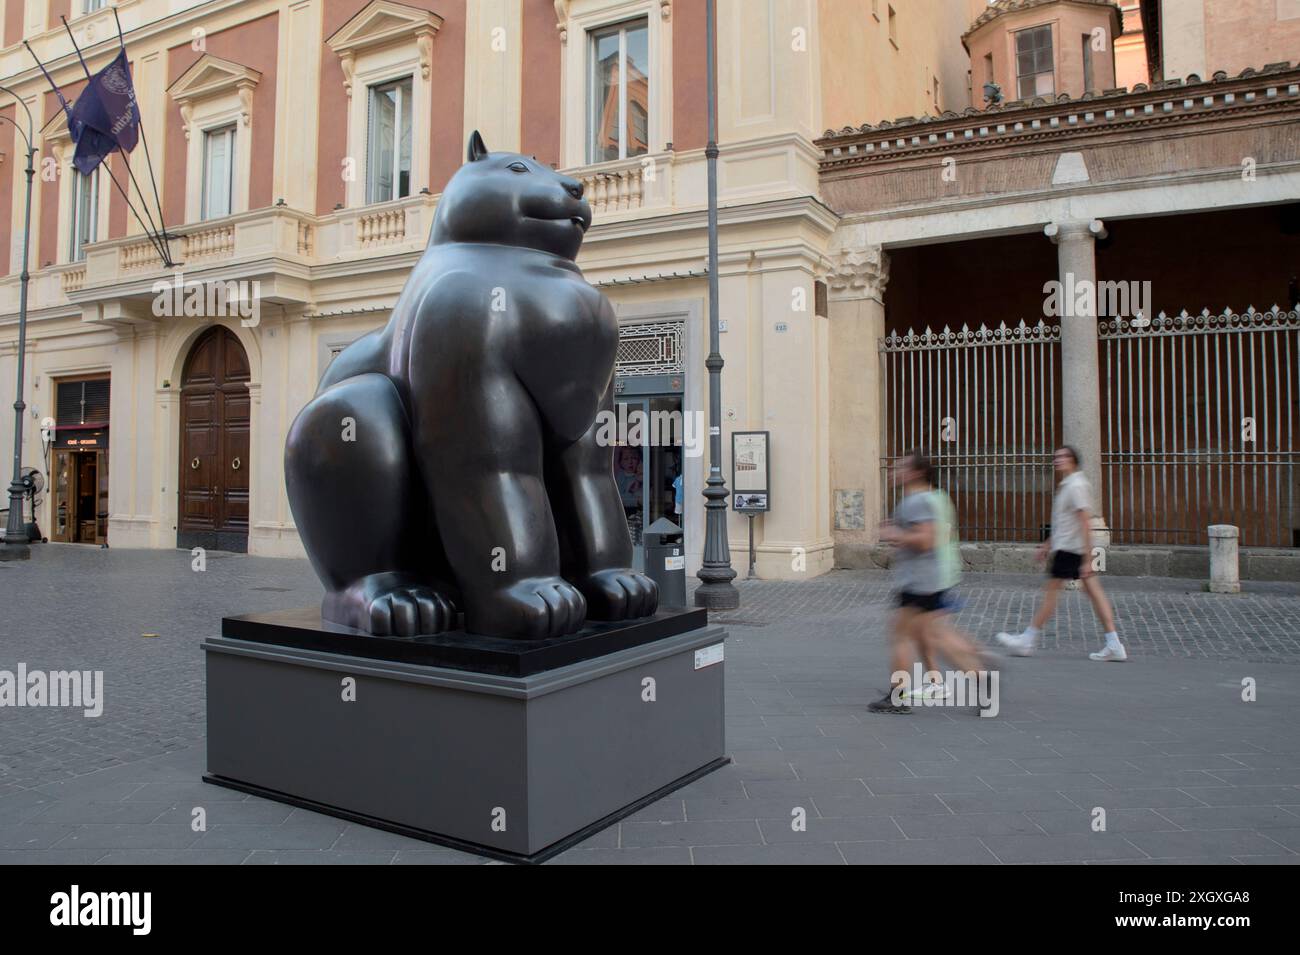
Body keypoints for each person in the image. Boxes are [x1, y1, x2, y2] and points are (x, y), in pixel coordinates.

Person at [869, 450, 989, 714]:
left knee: (902, 637)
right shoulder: (923, 498)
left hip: (919, 582)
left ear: (916, 472)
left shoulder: (918, 501)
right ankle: (979, 677)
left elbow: (926, 540)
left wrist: (894, 534)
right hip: (926, 579)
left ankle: (898, 697)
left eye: (900, 467)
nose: (894, 471)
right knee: (935, 637)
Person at [996, 445, 1127, 661]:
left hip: (1071, 550)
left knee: (1052, 595)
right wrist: (1047, 545)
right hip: (1069, 547)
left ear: (1073, 460)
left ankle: (1027, 640)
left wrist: (1087, 558)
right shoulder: (1069, 484)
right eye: (1056, 457)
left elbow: (1084, 522)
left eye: (1063, 456)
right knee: (1093, 594)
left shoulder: (1075, 485)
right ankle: (1113, 643)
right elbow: (1064, 522)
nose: (1058, 460)